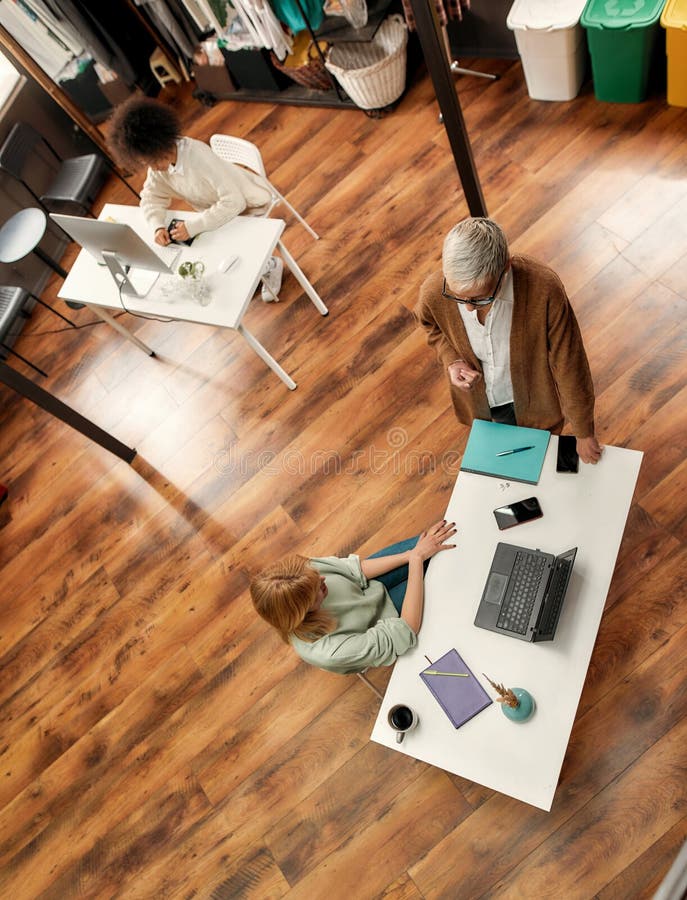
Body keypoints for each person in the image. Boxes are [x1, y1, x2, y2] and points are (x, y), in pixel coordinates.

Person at [415, 217, 603, 464]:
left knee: (539, 464)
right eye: (459, 298)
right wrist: (451, 360)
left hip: (535, 405)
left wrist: (583, 430)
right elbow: (429, 324)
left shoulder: (544, 289)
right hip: (479, 407)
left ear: (506, 268)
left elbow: (570, 363)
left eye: (480, 299)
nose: (469, 309)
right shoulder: (434, 292)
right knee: (503, 468)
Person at [108, 97, 283, 302]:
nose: (152, 168)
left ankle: (270, 265)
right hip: (216, 211)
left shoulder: (198, 157)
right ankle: (254, 269)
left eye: (152, 161)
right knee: (202, 247)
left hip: (248, 205)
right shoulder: (159, 167)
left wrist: (193, 227)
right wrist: (156, 225)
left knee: (207, 243)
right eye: (146, 163)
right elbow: (150, 197)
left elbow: (235, 202)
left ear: (160, 145)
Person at [250, 520, 457, 674]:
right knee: (445, 571)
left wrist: (412, 554)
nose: (323, 578)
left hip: (368, 586)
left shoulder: (303, 573)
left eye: (315, 574)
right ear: (303, 611)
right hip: (390, 621)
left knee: (439, 539)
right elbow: (407, 628)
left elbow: (355, 571)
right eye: (317, 589)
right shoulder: (330, 651)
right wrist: (417, 558)